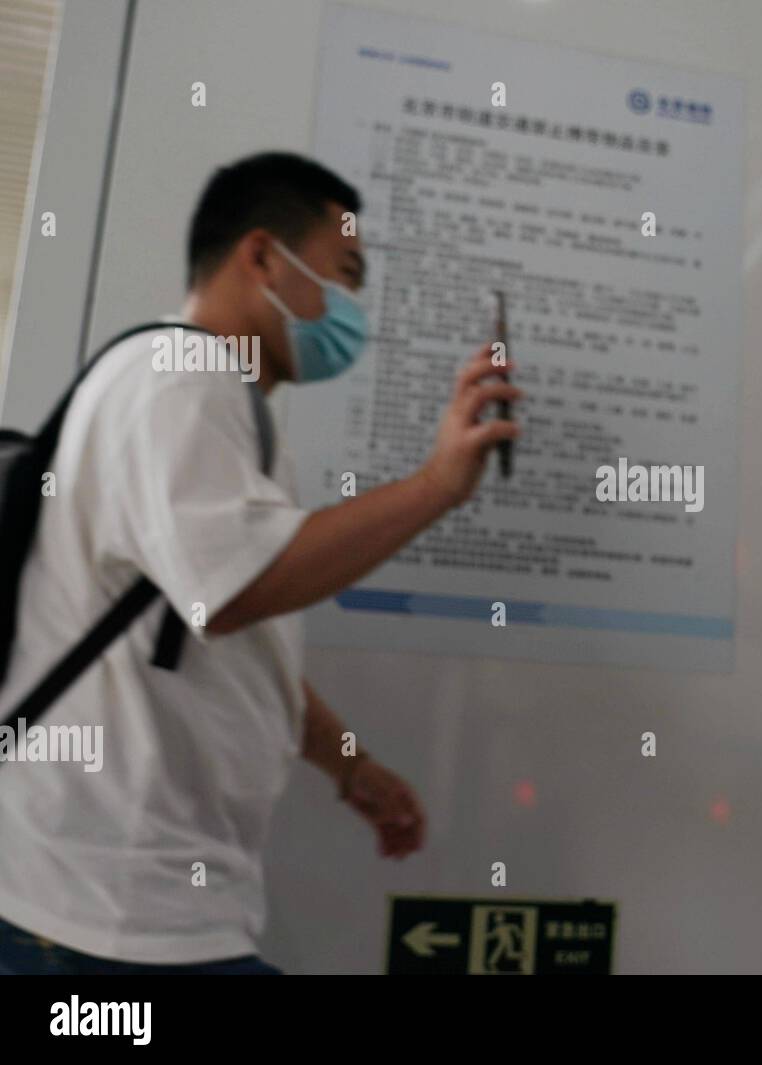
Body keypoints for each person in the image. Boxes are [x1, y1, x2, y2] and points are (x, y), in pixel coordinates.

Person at [0, 151, 521, 974]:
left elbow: (229, 641)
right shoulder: (184, 378)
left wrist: (354, 769)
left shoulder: (206, 402)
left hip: (117, 904)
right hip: (98, 912)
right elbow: (239, 591)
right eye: (343, 274)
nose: (352, 308)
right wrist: (437, 485)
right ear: (261, 257)